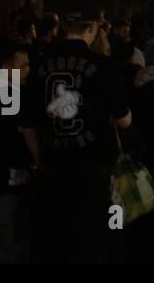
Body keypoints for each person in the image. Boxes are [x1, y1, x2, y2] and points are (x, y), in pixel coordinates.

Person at [21, 19, 132, 263]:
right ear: (91, 29)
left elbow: (27, 125)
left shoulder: (39, 66)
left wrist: (41, 160)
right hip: (97, 166)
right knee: (96, 236)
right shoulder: (103, 65)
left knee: (59, 237)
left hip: (55, 164)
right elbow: (124, 119)